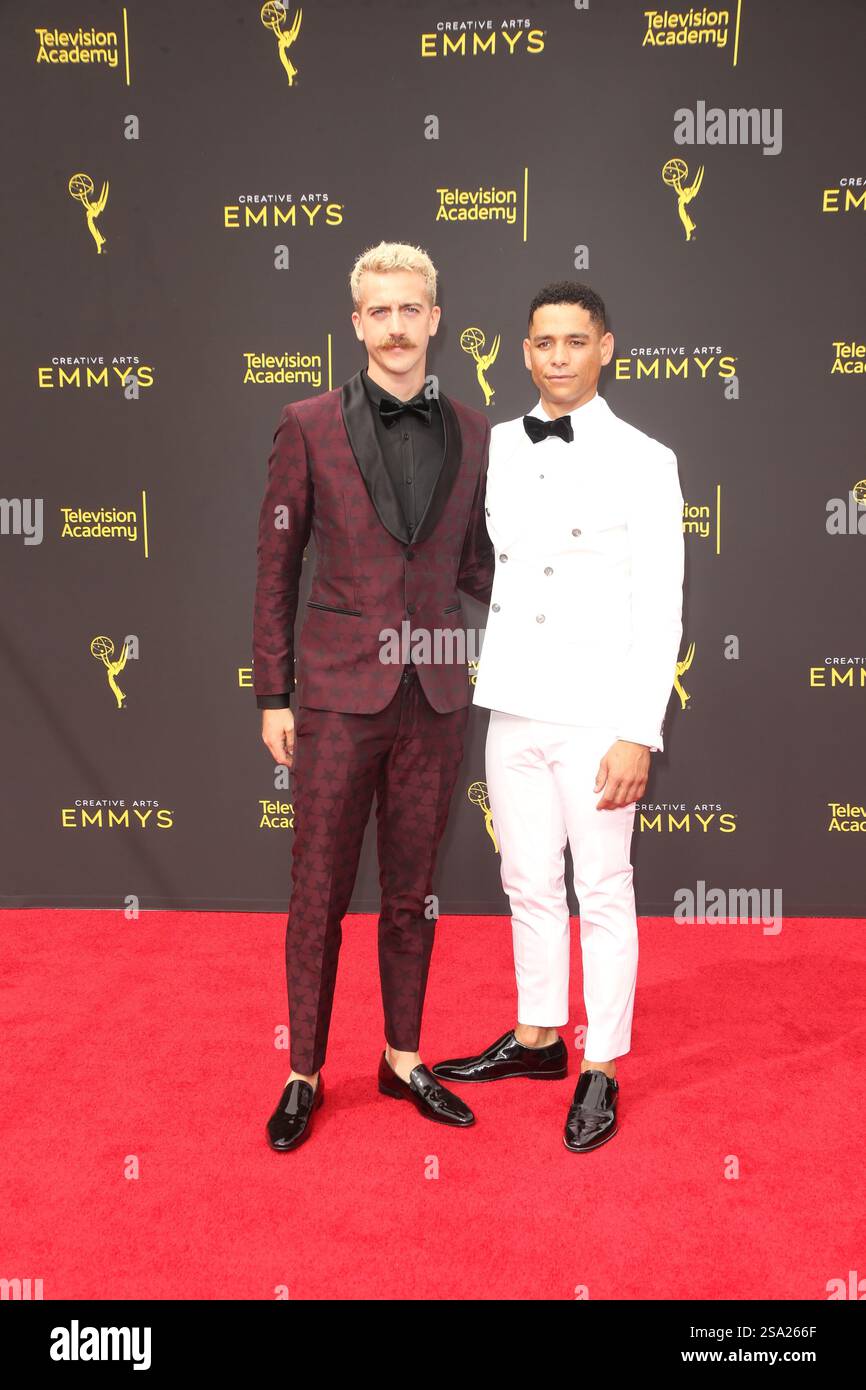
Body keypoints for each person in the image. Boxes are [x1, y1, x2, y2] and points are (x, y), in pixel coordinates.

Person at [432, 281, 684, 1152]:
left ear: (606, 347)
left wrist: (637, 730)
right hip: (511, 703)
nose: (560, 357)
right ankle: (538, 1035)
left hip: (597, 715)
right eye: (545, 343)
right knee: (526, 882)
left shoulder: (647, 460)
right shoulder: (494, 445)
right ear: (525, 350)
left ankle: (602, 1064)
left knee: (603, 890)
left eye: (577, 341)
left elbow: (663, 609)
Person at [253, 242, 494, 1151]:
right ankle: (303, 1072)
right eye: (378, 312)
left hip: (434, 696)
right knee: (317, 890)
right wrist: (273, 694)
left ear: (436, 318)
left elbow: (477, 565)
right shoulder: (307, 424)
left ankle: (402, 1058)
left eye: (411, 310)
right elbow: (276, 570)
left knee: (413, 892)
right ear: (356, 323)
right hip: (336, 699)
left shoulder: (475, 431)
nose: (396, 327)